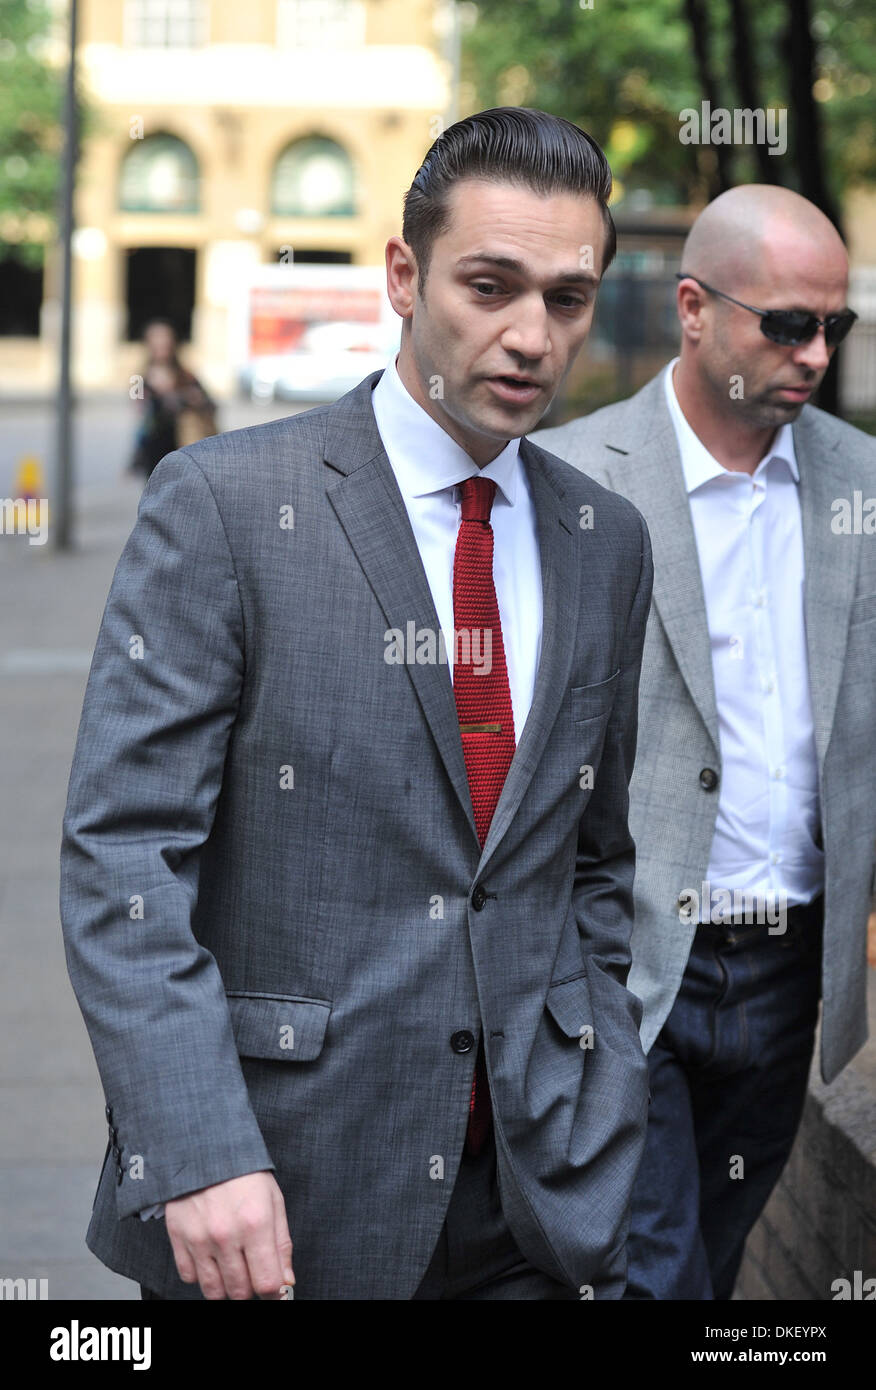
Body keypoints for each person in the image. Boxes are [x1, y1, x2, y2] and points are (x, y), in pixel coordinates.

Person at [60, 107, 654, 1301]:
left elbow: (592, 857)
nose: (531, 335)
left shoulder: (607, 541)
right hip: (270, 1206)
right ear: (402, 274)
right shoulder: (227, 505)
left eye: (568, 297)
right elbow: (124, 854)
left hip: (531, 1213)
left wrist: (600, 1087)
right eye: (490, 285)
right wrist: (199, 1150)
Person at [532, 183, 876, 1300]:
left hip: (788, 976)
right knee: (658, 1276)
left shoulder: (859, 485)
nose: (817, 352)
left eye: (838, 326)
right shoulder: (572, 482)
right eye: (787, 323)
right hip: (630, 969)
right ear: (693, 308)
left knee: (712, 1260)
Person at [127, 319, 217, 480]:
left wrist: (191, 399)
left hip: (184, 449)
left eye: (165, 338)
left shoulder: (186, 375)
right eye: (157, 339)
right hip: (154, 450)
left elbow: (211, 405)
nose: (162, 344)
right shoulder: (139, 378)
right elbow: (139, 412)